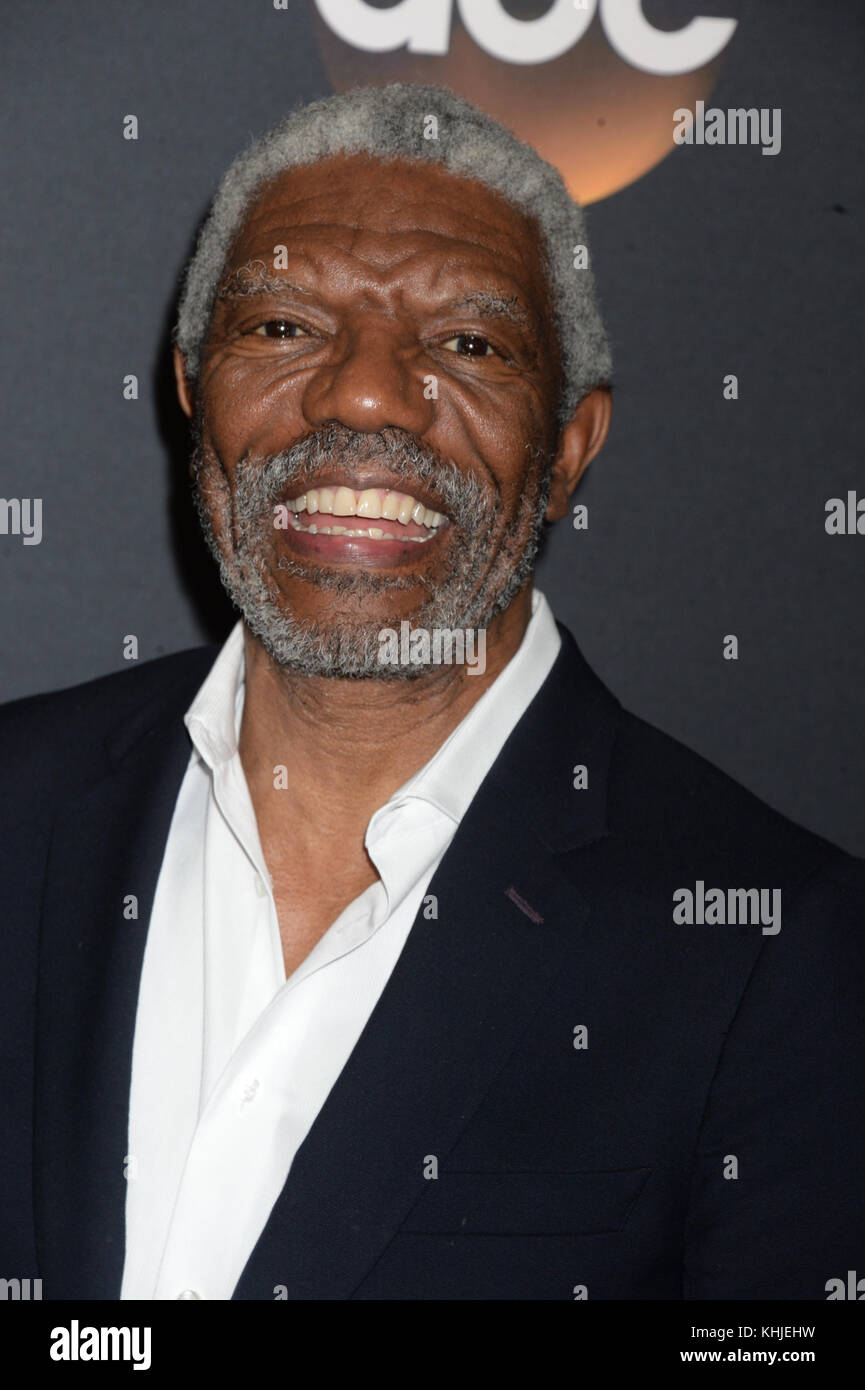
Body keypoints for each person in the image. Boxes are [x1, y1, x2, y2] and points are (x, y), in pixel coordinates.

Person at [1, 83, 862, 1302]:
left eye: (468, 344)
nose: (361, 393)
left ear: (568, 447)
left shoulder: (772, 952)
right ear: (193, 391)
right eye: (285, 326)